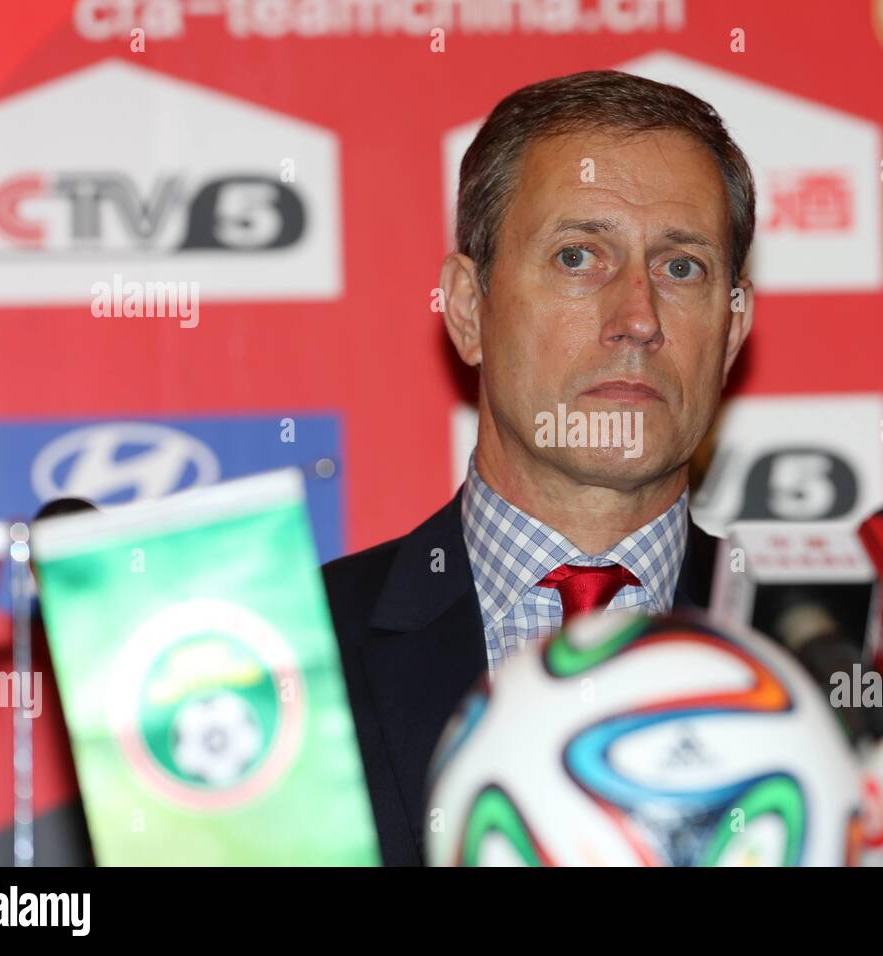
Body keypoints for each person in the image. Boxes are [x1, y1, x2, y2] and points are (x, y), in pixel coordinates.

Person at [322, 68, 756, 866]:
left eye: (683, 267)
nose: (637, 318)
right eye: (578, 256)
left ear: (731, 331)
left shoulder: (832, 661)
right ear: (466, 307)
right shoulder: (297, 658)